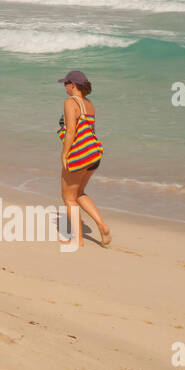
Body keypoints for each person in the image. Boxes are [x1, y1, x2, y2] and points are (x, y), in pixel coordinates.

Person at [56, 70, 110, 248]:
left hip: (79, 156)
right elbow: (89, 131)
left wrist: (65, 153)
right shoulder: (89, 104)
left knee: (68, 197)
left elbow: (71, 130)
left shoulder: (70, 102)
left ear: (73, 85)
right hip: (93, 155)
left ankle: (77, 239)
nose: (64, 87)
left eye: (66, 83)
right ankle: (101, 225)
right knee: (79, 194)